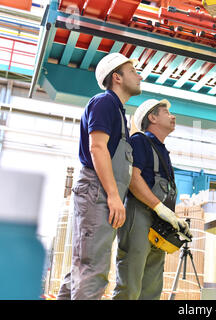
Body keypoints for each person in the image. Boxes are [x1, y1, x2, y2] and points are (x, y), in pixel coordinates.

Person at [56, 52, 143, 300]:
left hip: (100, 192)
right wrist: (113, 195)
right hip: (98, 191)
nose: (139, 76)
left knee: (81, 269)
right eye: (133, 71)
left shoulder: (117, 111)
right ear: (117, 77)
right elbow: (97, 148)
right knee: (93, 270)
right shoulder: (104, 103)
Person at [113, 99, 191, 300]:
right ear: (152, 117)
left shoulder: (163, 150)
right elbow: (133, 178)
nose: (172, 116)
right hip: (139, 216)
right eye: (166, 112)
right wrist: (158, 206)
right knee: (129, 286)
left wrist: (173, 219)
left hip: (159, 222)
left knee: (151, 289)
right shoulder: (140, 141)